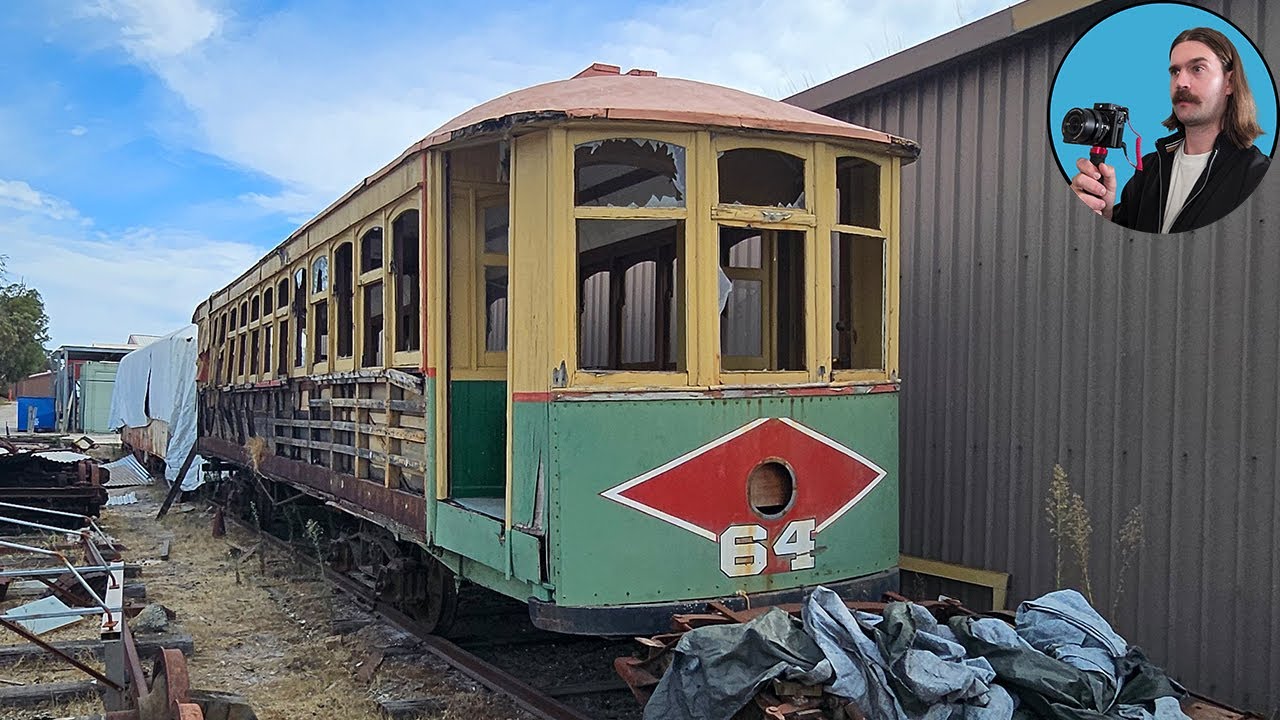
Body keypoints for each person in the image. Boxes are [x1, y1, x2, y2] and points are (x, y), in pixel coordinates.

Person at [1070, 27, 1270, 233]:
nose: (1181, 82)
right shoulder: (1148, 169)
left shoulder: (1258, 175)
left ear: (1229, 83)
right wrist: (1106, 215)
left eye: (1197, 69)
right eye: (1175, 71)